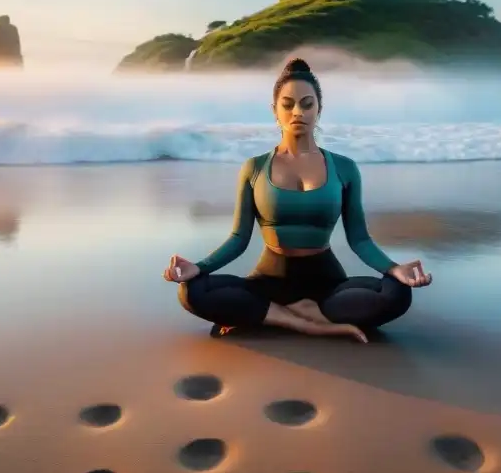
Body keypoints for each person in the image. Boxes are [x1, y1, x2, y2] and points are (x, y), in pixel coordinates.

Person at [163, 57, 432, 343]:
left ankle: (272, 315)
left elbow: (360, 239)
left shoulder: (344, 167)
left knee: (397, 292)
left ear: (319, 109)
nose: (297, 112)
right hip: (268, 283)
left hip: (328, 286)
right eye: (288, 104)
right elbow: (238, 238)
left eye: (307, 104)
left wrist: (394, 269)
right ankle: (304, 321)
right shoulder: (254, 168)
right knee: (192, 290)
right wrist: (200, 268)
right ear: (275, 110)